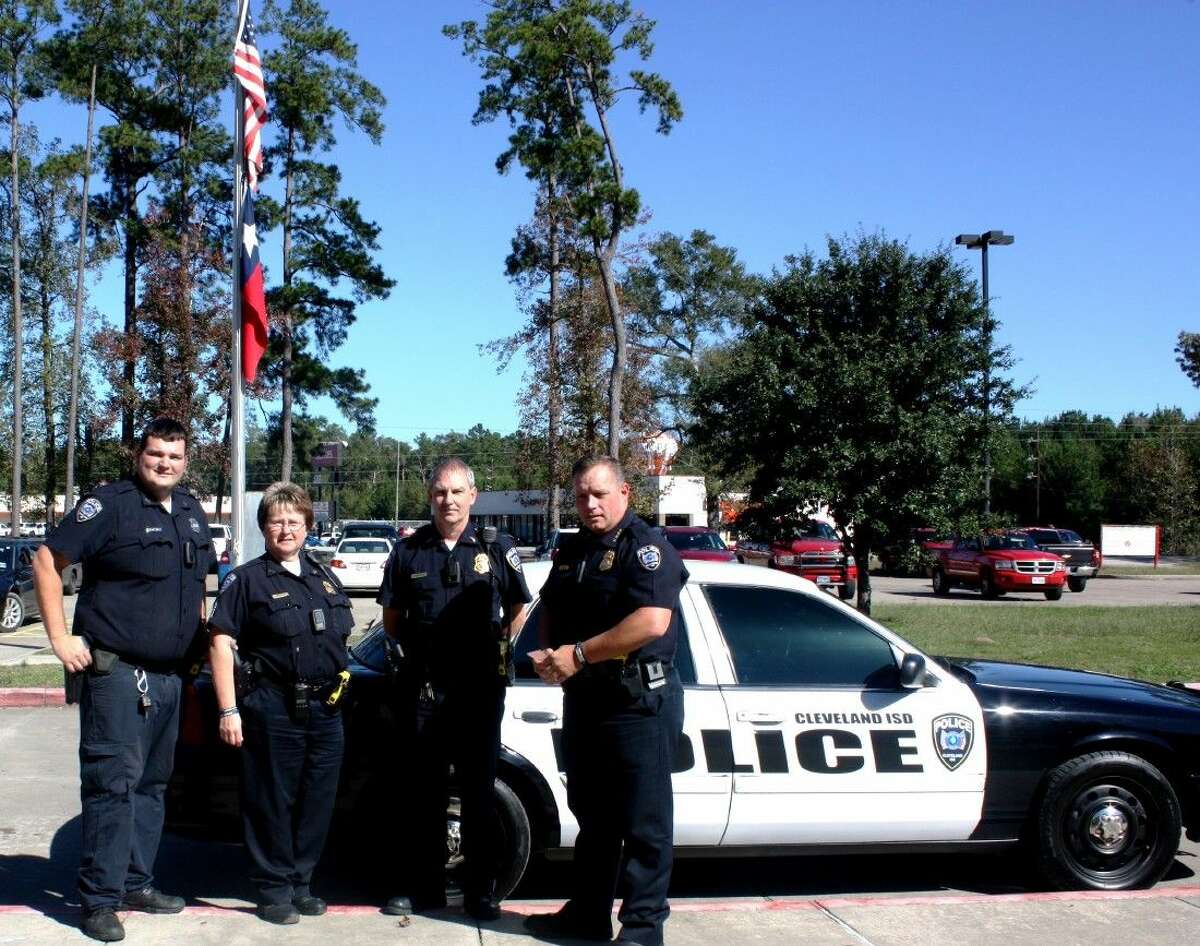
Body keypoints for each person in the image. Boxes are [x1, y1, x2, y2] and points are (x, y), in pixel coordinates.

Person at [33, 417, 213, 943]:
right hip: (117, 676)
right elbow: (47, 560)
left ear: (185, 461)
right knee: (111, 786)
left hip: (170, 678)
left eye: (175, 456)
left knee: (152, 787)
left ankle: (136, 882)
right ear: (139, 455)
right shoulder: (109, 505)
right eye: (156, 453)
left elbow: (198, 584)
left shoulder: (191, 511)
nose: (165, 463)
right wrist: (60, 638)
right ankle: (98, 900)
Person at [525, 456, 687, 946]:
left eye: (598, 494)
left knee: (644, 823)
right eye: (581, 496)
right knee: (593, 818)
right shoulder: (575, 550)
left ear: (624, 492)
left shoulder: (647, 549)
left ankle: (642, 929)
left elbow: (651, 622)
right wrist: (548, 653)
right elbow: (551, 604)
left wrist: (577, 655)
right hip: (587, 700)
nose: (590, 504)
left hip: (636, 701)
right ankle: (587, 915)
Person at [378, 458, 530, 920]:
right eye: (441, 492)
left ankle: (481, 891)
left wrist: (497, 645)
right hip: (425, 693)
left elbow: (519, 607)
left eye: (457, 491)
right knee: (422, 792)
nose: (449, 500)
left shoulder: (496, 548)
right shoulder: (408, 552)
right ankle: (421, 887)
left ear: (473, 496)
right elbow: (392, 620)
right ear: (430, 497)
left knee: (478, 793)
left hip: (478, 693)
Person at [207, 482, 355, 925]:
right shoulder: (246, 580)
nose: (286, 529)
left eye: (294, 521)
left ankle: (301, 883)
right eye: (277, 522)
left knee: (317, 801)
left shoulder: (322, 575)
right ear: (264, 528)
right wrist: (228, 710)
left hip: (326, 710)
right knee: (271, 801)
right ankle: (273, 889)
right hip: (274, 707)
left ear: (308, 526)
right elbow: (219, 642)